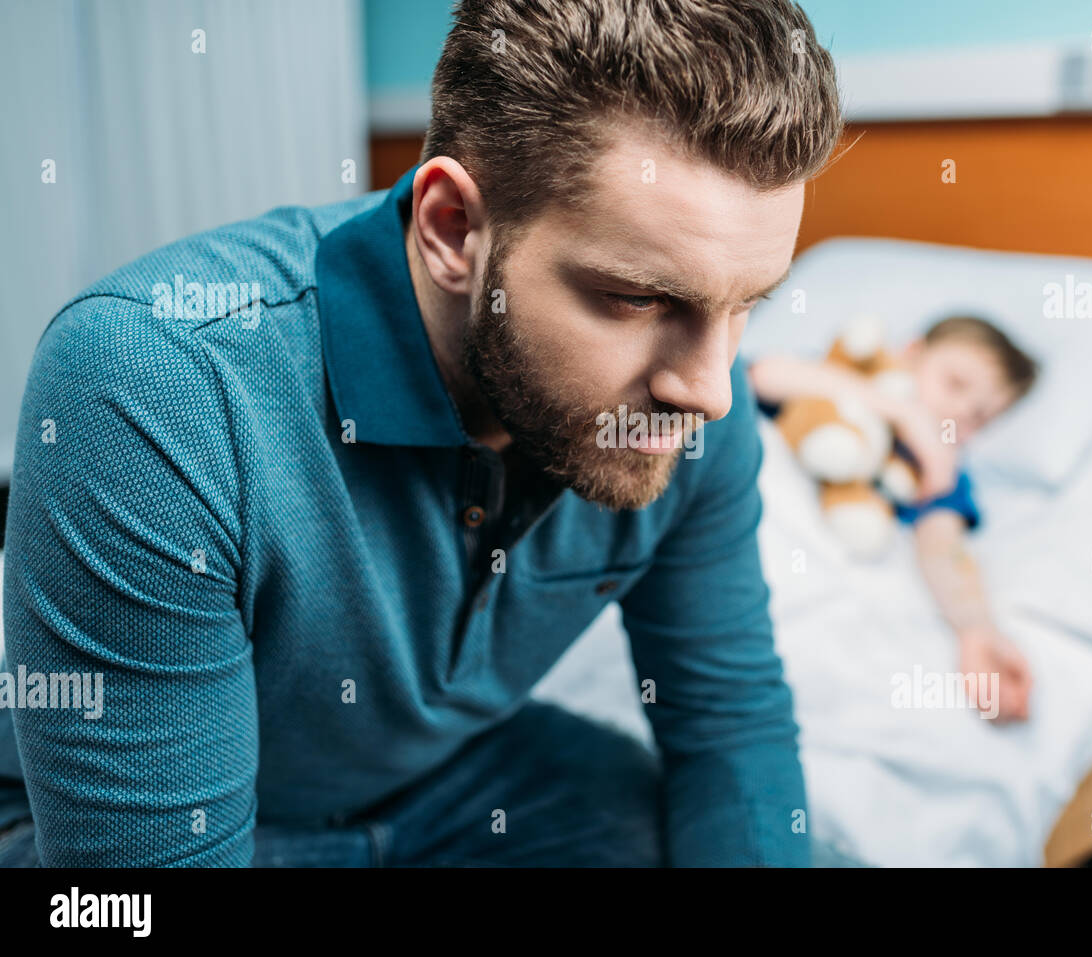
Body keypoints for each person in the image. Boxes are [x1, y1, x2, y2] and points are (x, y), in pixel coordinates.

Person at [0, 0, 846, 866]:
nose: (708, 390)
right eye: (638, 298)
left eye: (748, 303)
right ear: (454, 228)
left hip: (460, 787)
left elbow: (726, 722)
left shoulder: (687, 396)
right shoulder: (152, 382)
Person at [745, 316, 1039, 722]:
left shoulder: (938, 468)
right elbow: (761, 375)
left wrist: (977, 631)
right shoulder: (838, 377)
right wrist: (902, 413)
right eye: (954, 384)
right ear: (911, 353)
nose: (957, 412)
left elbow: (943, 546)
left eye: (978, 419)